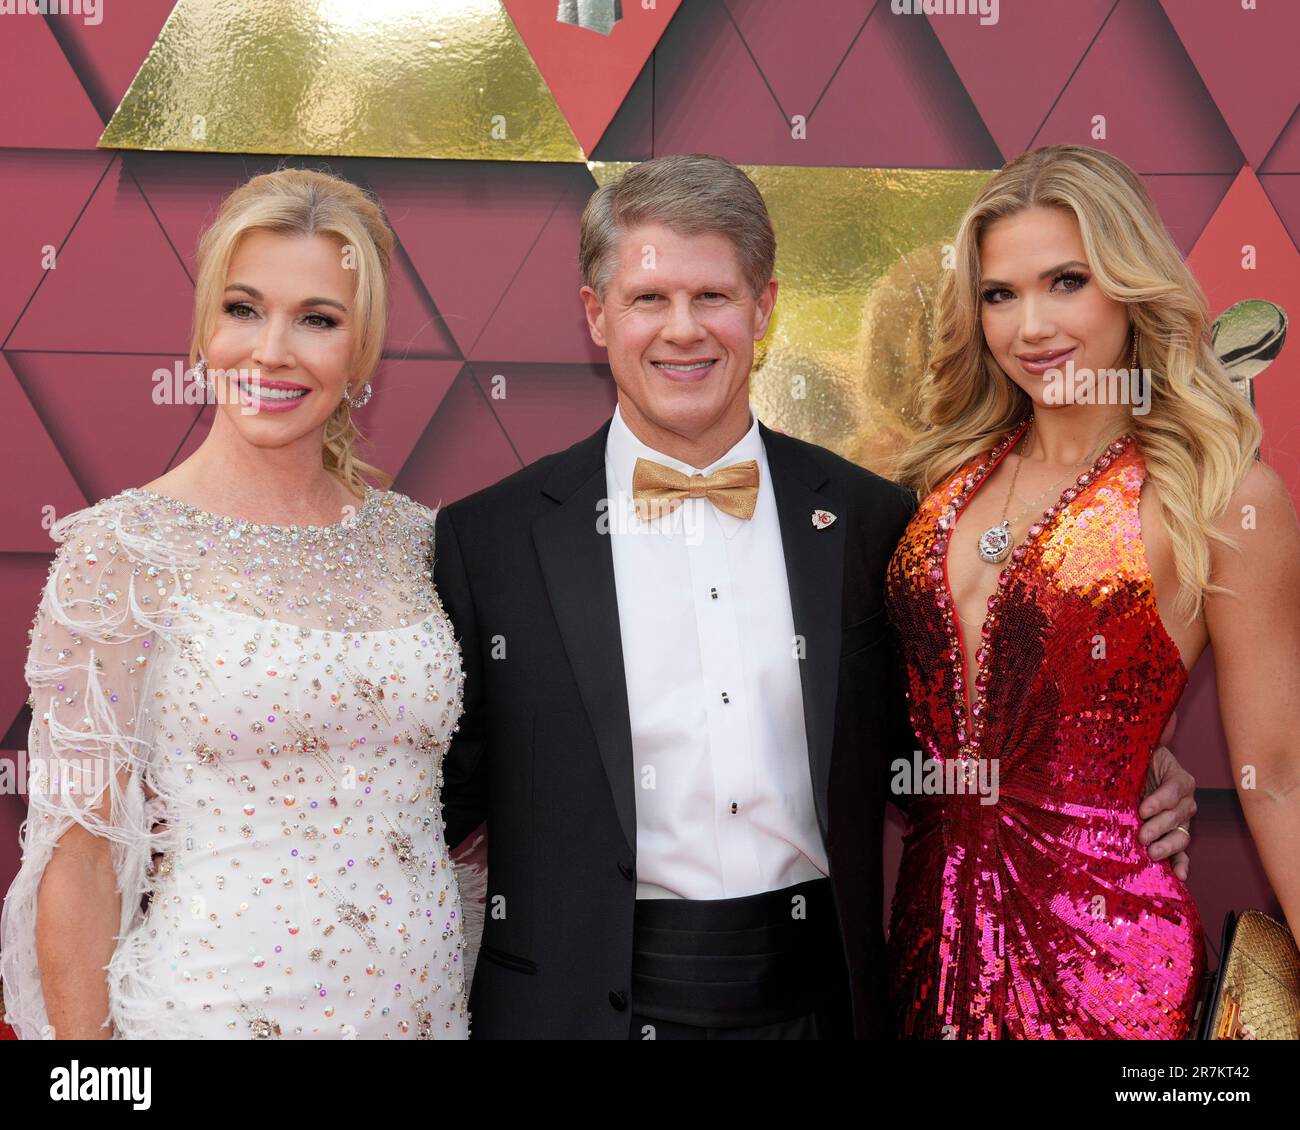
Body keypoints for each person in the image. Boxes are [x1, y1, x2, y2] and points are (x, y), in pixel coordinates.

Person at [433, 152, 1197, 1039]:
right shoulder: (489, 540)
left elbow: (946, 742)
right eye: (649, 299)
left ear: (763, 310)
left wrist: (1114, 774)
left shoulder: (876, 523)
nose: (683, 330)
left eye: (713, 297)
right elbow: (435, 792)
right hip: (574, 1005)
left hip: (822, 1000)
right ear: (596, 315)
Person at [0, 169, 472, 1039]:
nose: (272, 351)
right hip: (208, 1012)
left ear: (361, 348)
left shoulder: (419, 543)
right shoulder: (122, 553)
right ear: (205, 328)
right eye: (244, 308)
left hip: (421, 1011)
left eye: (318, 319)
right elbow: (79, 861)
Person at [885, 144, 1300, 1039]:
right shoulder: (943, 479)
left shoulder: (1219, 494)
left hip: (1108, 970)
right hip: (927, 950)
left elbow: (1282, 776)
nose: (1031, 325)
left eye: (1066, 281)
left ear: (1129, 286)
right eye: (1001, 293)